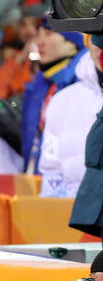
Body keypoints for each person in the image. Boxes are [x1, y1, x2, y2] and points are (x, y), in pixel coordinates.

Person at [23, 18, 89, 177]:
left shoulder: (86, 85)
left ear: (72, 43)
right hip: (36, 184)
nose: (40, 42)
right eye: (38, 34)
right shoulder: (40, 83)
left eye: (49, 33)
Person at [39, 37, 103, 199]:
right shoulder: (61, 101)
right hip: (74, 219)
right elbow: (51, 170)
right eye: (95, 35)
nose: (100, 45)